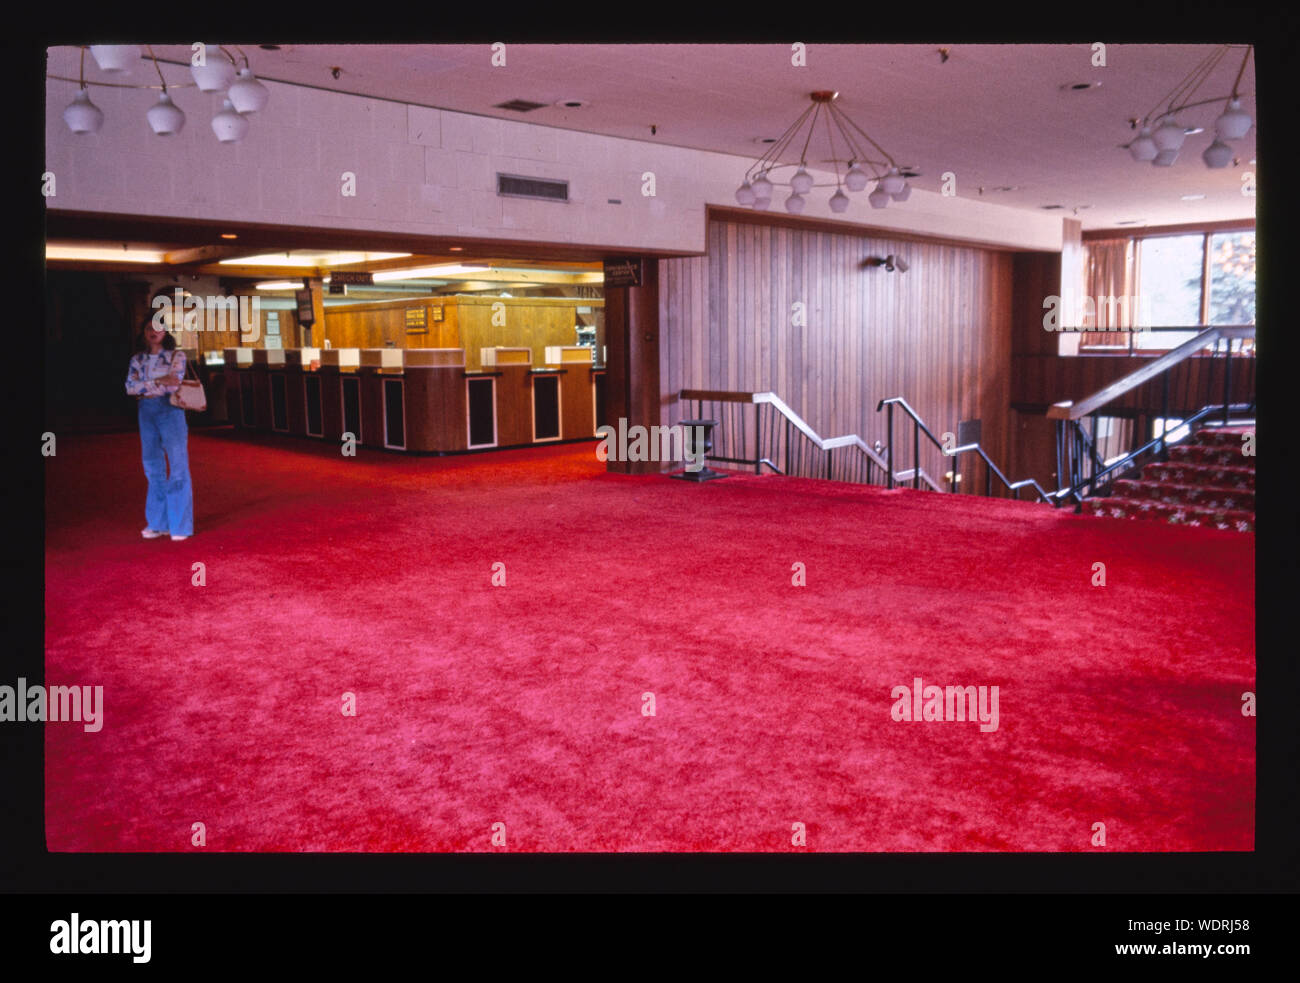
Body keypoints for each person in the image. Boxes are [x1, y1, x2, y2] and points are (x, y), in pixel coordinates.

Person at [125, 316, 194, 541]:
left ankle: (180, 526)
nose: (153, 332)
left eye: (158, 328)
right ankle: (157, 523)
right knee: (152, 466)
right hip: (146, 411)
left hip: (171, 410)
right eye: (148, 328)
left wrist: (146, 386)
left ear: (166, 332)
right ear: (143, 332)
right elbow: (129, 388)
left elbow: (173, 382)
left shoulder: (177, 355)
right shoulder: (138, 359)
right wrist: (158, 382)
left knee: (178, 466)